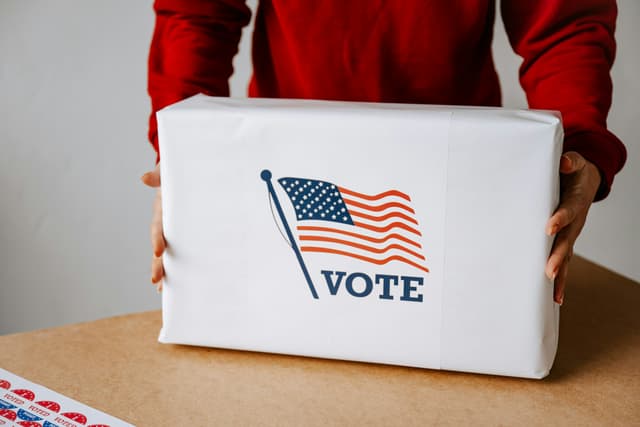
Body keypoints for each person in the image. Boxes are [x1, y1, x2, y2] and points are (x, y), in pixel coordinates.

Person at [141, 0, 627, 305]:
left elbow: (564, 22)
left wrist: (579, 149)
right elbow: (197, 13)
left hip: (458, 174)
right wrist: (185, 150)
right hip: (288, 166)